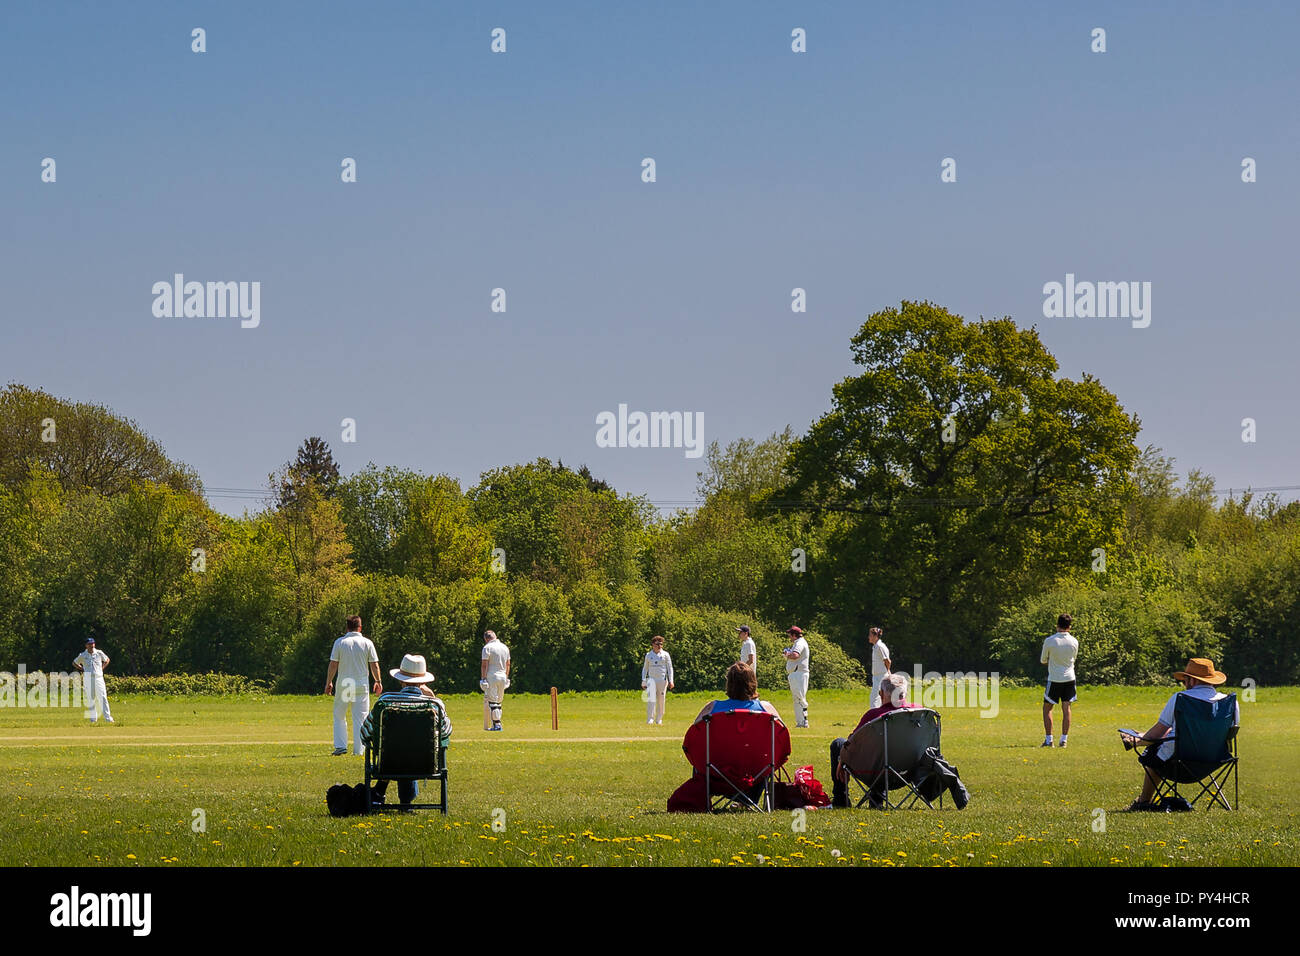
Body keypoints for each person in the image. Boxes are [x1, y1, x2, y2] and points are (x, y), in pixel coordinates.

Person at [1121, 657, 1240, 811]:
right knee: (1165, 741)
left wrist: (1139, 739)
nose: (1184, 684)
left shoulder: (1181, 698)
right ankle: (1137, 740)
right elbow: (1227, 734)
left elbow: (1157, 733)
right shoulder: (1230, 702)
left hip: (1179, 762)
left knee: (1152, 752)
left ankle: (1143, 801)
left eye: (1185, 679)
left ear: (1192, 680)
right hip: (1214, 761)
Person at [360, 654, 452, 807]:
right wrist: (433, 697)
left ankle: (379, 792)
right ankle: (405, 800)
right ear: (423, 682)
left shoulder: (385, 702)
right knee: (412, 747)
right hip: (426, 764)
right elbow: (446, 732)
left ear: (401, 679)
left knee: (398, 746)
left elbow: (364, 733)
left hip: (388, 764)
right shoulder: (434, 705)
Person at [829, 672, 920, 808]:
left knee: (838, 744)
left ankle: (840, 799)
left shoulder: (874, 716)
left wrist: (842, 758)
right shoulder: (919, 712)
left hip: (875, 772)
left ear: (881, 693)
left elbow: (852, 743)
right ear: (904, 693)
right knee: (883, 752)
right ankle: (875, 801)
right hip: (910, 771)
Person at [325, 615, 381, 756]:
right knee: (360, 717)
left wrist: (329, 682)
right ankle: (359, 750)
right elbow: (374, 664)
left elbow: (333, 664)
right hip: (361, 683)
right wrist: (378, 681)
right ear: (360, 627)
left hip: (345, 683)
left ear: (347, 627)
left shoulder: (340, 642)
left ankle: (340, 746)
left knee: (339, 715)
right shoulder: (367, 643)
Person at [693, 662, 782, 723]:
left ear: (729, 683)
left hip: (721, 751)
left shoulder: (711, 708)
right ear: (753, 683)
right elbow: (783, 739)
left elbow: (693, 737)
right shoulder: (766, 709)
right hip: (759, 751)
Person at [1041, 613, 1079, 748]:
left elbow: (1043, 660)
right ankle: (1064, 740)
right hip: (1069, 678)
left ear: (1057, 625)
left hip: (1054, 679)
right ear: (1070, 626)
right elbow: (1073, 658)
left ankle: (1049, 740)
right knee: (1066, 708)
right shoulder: (1074, 641)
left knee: (1047, 709)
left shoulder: (1050, 640)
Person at [73, 638, 113, 724]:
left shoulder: (99, 652)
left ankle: (108, 718)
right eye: (90, 644)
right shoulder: (83, 655)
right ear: (86, 645)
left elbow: (107, 660)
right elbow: (75, 662)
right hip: (88, 678)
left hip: (98, 677)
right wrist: (82, 668)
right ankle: (93, 719)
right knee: (91, 699)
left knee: (102, 697)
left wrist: (102, 668)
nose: (92, 645)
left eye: (93, 643)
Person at [480, 630, 511, 731]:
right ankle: (496, 724)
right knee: (499, 701)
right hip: (502, 676)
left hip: (492, 676)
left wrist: (483, 678)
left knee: (493, 701)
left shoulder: (487, 647)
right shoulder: (505, 647)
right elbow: (508, 664)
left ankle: (497, 725)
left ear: (486, 639)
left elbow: (484, 665)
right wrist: (506, 677)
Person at [641, 635, 674, 725]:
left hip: (662, 681)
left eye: (661, 644)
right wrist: (643, 680)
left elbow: (670, 668)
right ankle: (650, 719)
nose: (659, 646)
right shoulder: (649, 655)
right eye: (657, 644)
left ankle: (659, 719)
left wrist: (671, 680)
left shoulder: (665, 655)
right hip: (651, 680)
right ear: (653, 644)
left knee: (661, 700)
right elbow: (645, 669)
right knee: (651, 700)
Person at [783, 626, 810, 727]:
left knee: (800, 698)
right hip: (797, 673)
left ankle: (804, 722)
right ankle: (801, 722)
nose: (789, 637)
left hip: (799, 673)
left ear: (794, 635)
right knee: (797, 698)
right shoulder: (798, 643)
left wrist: (786, 654)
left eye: (790, 634)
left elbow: (795, 655)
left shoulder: (799, 643)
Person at [868, 627, 891, 709]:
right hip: (876, 676)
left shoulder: (880, 646)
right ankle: (879, 715)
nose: (869, 637)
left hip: (881, 676)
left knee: (875, 698)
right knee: (877, 698)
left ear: (875, 636)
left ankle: (874, 717)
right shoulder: (875, 646)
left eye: (870, 635)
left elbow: (887, 661)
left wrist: (888, 671)